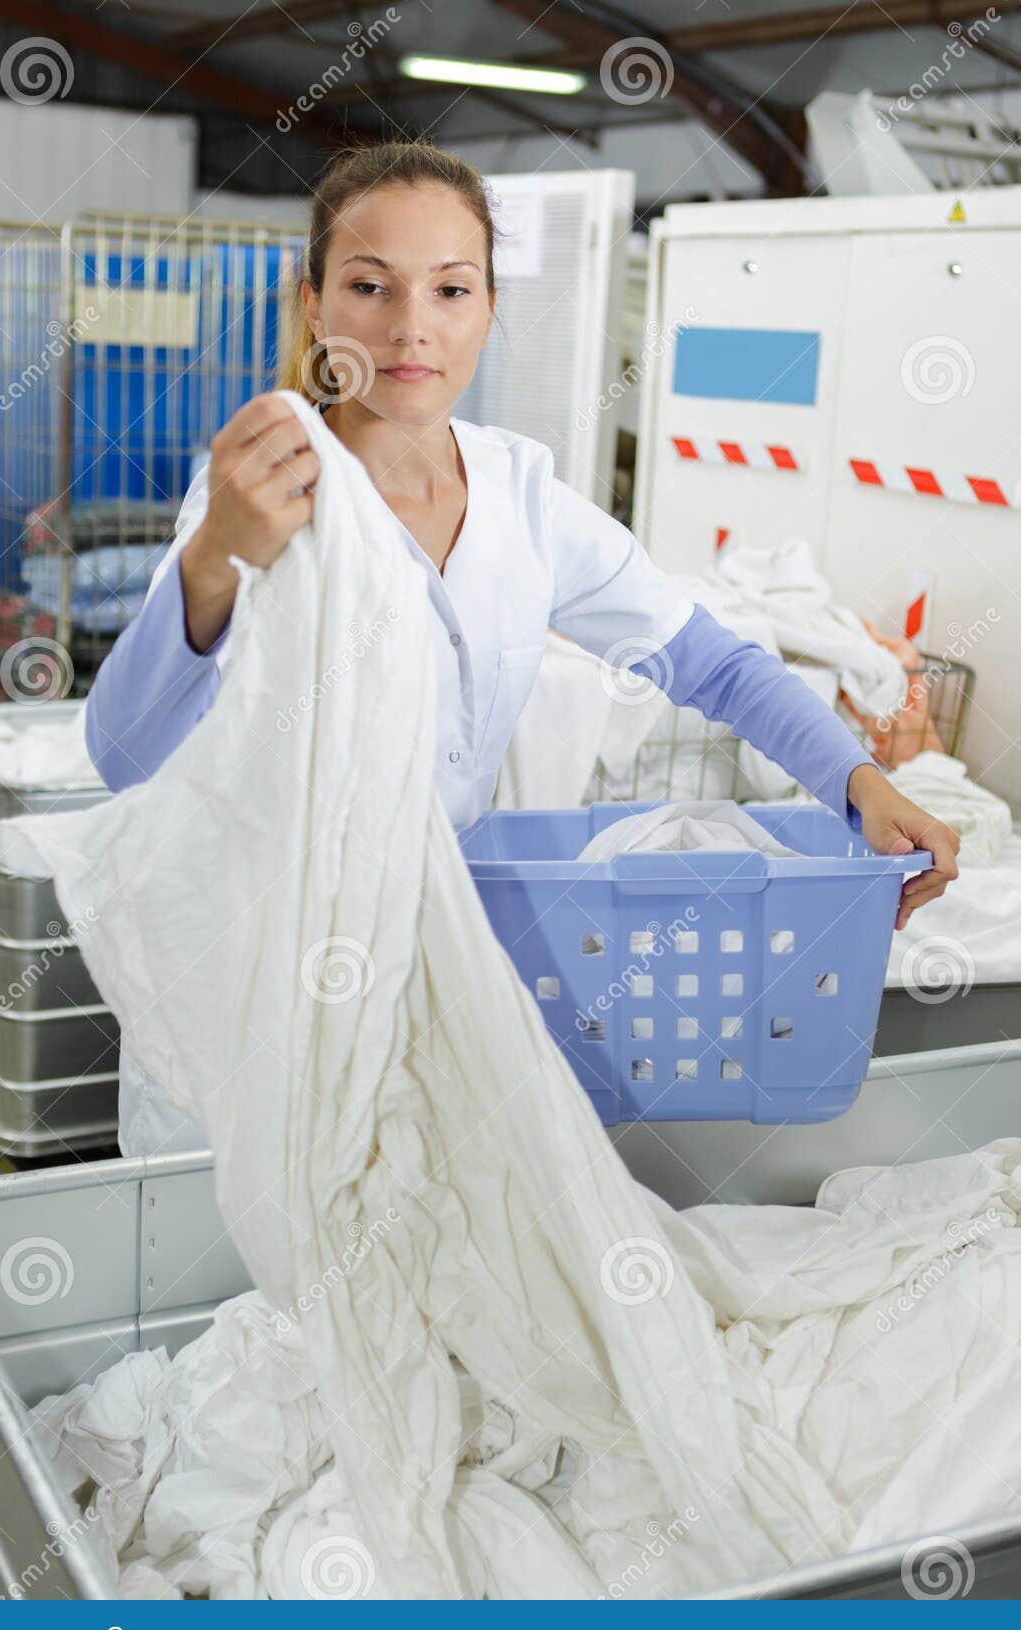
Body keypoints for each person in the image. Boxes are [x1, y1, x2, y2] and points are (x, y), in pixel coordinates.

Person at [84, 139, 959, 1157]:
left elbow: (713, 664)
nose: (412, 327)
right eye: (370, 286)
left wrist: (859, 782)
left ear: (489, 308)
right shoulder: (261, 492)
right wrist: (212, 564)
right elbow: (127, 758)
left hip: (430, 979)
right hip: (251, 995)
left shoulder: (522, 500)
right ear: (315, 304)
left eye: (449, 289)